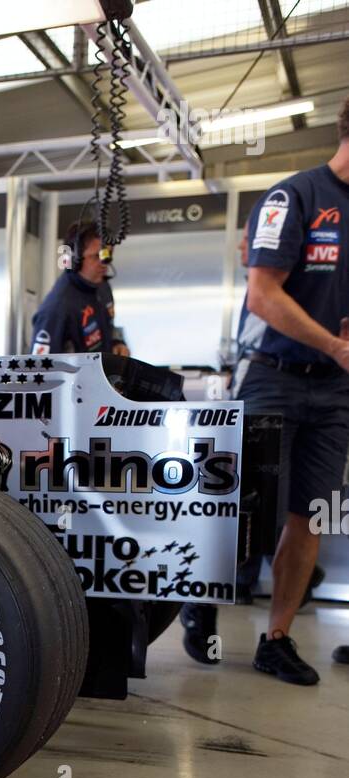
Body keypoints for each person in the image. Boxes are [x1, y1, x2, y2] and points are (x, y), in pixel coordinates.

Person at [182, 99, 349, 683]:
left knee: (315, 516)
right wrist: (332, 344)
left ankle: (275, 639)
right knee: (245, 512)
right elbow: (263, 295)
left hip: (336, 391)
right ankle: (201, 598)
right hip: (273, 376)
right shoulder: (294, 197)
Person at [31, 220, 128, 355]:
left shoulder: (102, 286)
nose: (104, 263)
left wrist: (116, 342)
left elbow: (108, 325)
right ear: (74, 258)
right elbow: (40, 370)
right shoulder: (56, 310)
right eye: (96, 256)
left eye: (107, 255)